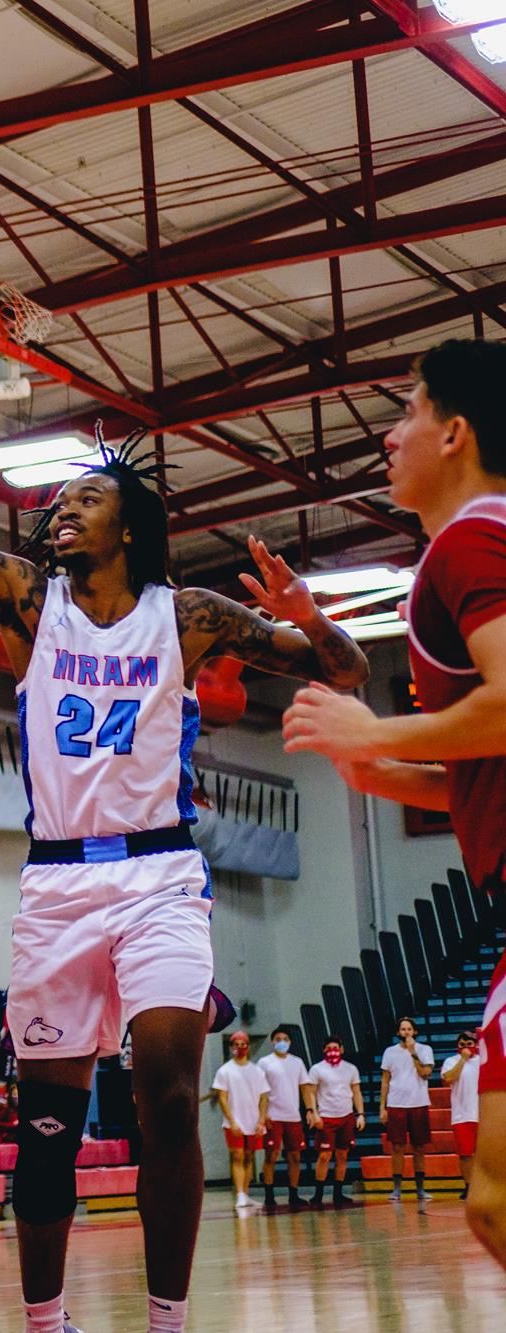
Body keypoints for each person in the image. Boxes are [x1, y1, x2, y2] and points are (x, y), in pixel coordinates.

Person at [0, 284, 369, 1333]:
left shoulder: (186, 615)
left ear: (130, 525)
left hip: (157, 874)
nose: (59, 508)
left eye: (82, 499)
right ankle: (44, 1321)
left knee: (160, 1090)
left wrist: (307, 615)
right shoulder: (25, 597)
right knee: (50, 1128)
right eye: (56, 499)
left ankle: (164, 1320)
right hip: (56, 879)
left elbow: (347, 668)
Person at [280, 339, 506, 1262]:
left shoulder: (470, 538)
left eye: (407, 409)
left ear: (454, 432)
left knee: (493, 1198)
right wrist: (390, 773)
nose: (389, 430)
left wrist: (376, 733)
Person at [206, 1034, 268, 1211]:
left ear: (248, 1046)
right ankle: (239, 1193)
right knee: (238, 1155)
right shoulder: (225, 1071)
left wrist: (261, 1120)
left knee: (249, 1157)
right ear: (231, 1047)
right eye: (236, 1044)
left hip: (253, 1121)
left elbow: (264, 1098)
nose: (240, 1047)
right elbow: (222, 1098)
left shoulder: (257, 1071)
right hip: (233, 1122)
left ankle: (246, 1194)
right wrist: (232, 1121)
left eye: (243, 1044)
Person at [255, 1026, 312, 1211]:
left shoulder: (297, 1062)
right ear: (272, 1042)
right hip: (274, 1115)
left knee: (295, 1156)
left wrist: (311, 1110)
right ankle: (269, 1195)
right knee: (271, 1155)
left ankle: (293, 1193)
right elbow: (258, 1091)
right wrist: (263, 1115)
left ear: (290, 1042)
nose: (282, 1042)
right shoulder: (264, 1063)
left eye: (285, 1039)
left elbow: (305, 1088)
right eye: (278, 1038)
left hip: (293, 1116)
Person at [380, 1017, 436, 1203]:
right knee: (397, 1146)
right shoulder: (390, 1052)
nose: (406, 1032)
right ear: (398, 1033)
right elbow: (385, 1080)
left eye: (409, 1029)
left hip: (418, 1102)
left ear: (415, 1032)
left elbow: (426, 1073)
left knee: (419, 1146)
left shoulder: (425, 1050)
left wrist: (413, 1053)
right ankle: (397, 1188)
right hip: (396, 1104)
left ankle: (420, 1188)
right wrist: (383, 1107)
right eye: (403, 1029)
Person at [306, 1038, 365, 1208]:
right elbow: (311, 1092)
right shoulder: (317, 1069)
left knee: (342, 1155)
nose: (333, 1051)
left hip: (346, 1116)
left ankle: (338, 1192)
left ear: (342, 1049)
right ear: (324, 1050)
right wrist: (313, 1112)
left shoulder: (350, 1068)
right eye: (329, 1048)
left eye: (336, 1048)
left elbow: (356, 1092)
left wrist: (360, 1114)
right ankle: (318, 1193)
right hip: (326, 1116)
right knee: (325, 1156)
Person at [446, 1030, 485, 1196]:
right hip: (461, 1114)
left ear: (475, 1045)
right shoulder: (451, 1061)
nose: (466, 1048)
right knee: (465, 1154)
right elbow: (448, 1078)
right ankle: (468, 1186)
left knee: (485, 1153)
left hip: (483, 1114)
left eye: (469, 1044)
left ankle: (486, 1185)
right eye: (462, 1045)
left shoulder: (483, 1061)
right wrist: (463, 1059)